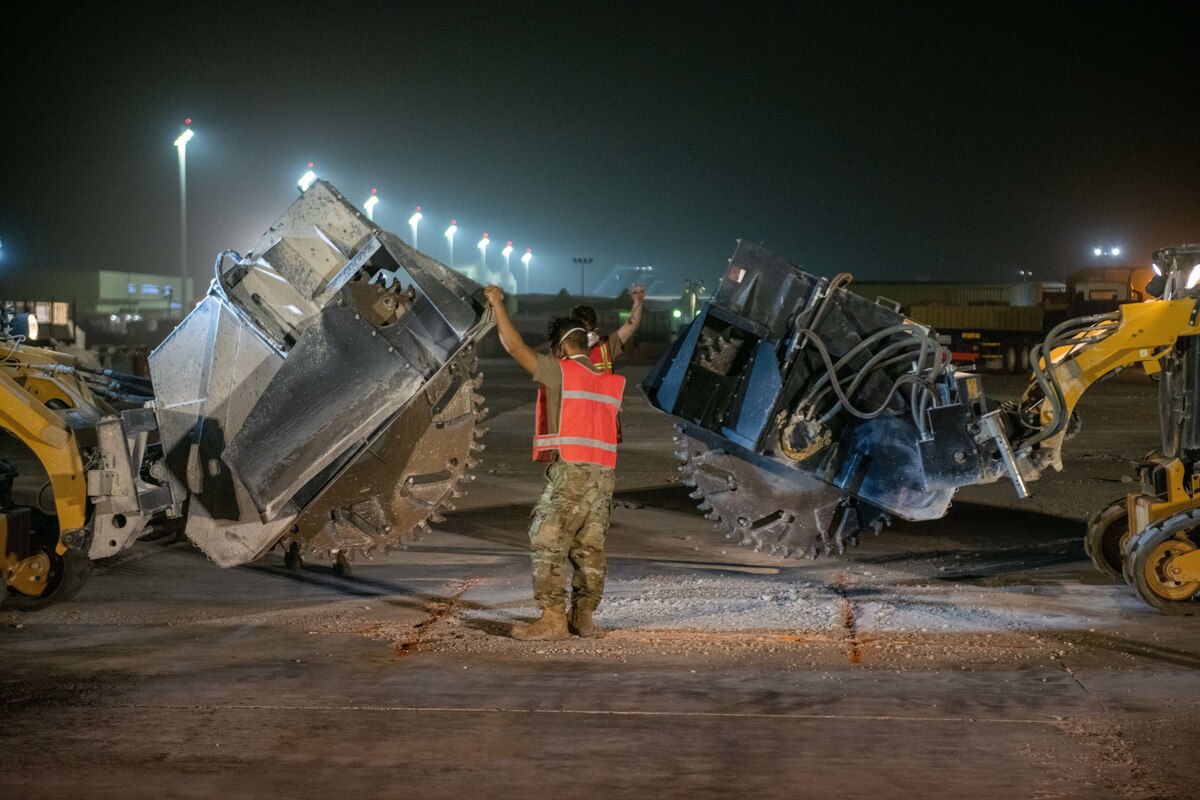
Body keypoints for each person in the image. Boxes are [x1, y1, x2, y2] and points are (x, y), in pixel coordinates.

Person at [484, 285, 625, 641]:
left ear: (562, 347)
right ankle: (584, 619)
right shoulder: (609, 381)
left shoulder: (563, 372)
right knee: (588, 547)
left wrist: (497, 304)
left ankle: (551, 620)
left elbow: (515, 347)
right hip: (604, 476)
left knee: (546, 538)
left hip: (573, 473)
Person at [569, 284, 646, 374]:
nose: (588, 335)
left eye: (590, 330)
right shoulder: (564, 351)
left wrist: (638, 301)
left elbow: (631, 326)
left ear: (595, 327)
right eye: (584, 330)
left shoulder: (606, 346)